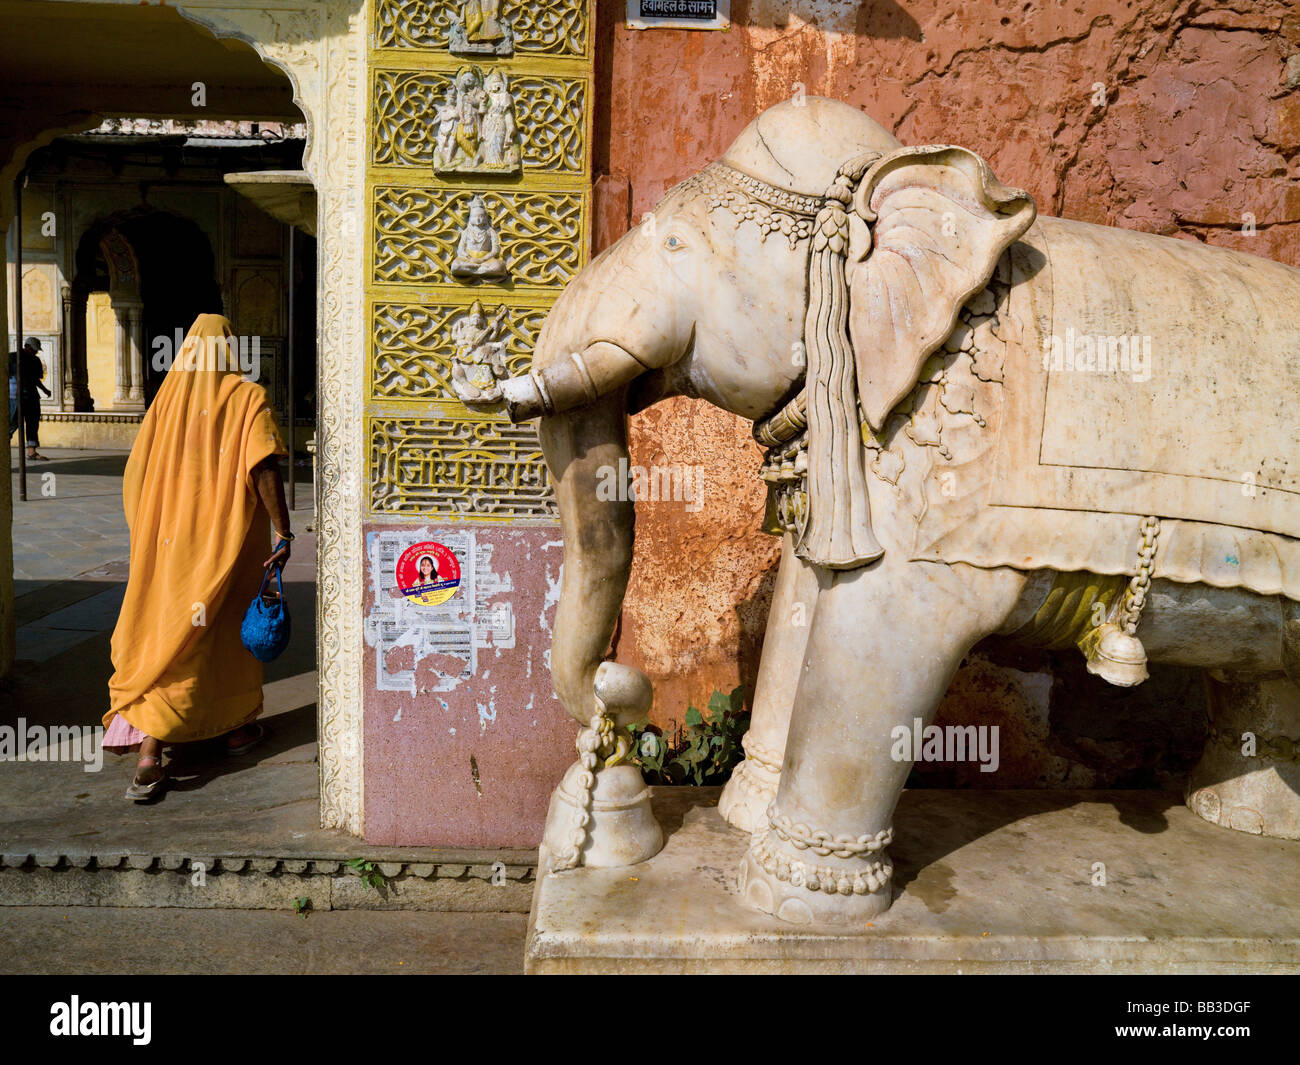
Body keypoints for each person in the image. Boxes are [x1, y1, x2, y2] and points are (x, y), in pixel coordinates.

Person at [103, 314, 293, 801]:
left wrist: (151, 531)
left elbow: (136, 475)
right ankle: (213, 735)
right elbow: (263, 468)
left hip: (169, 545)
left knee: (172, 635)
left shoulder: (168, 400)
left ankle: (160, 749)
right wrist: (284, 530)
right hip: (228, 541)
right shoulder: (246, 398)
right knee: (219, 634)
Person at [8, 337, 51, 460]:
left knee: (32, 423)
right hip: (15, 396)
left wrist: (44, 389)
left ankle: (32, 452)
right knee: (12, 423)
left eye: (36, 350)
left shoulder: (35, 360)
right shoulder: (12, 358)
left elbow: (35, 379)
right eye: (33, 350)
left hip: (31, 396)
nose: (35, 352)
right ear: (26, 346)